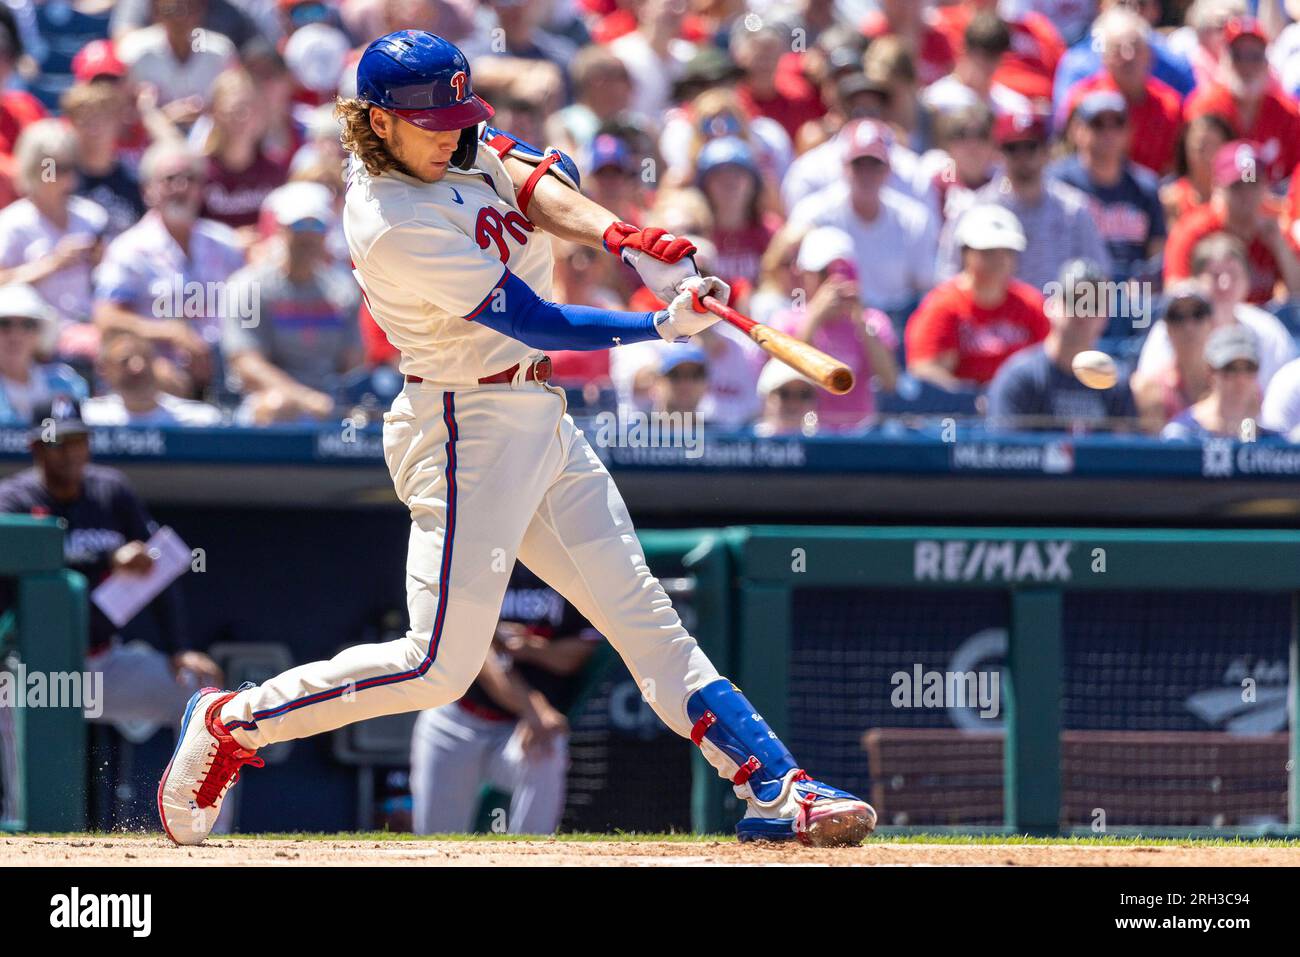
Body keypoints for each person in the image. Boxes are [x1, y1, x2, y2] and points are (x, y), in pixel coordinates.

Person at [156, 30, 877, 849]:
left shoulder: (456, 140)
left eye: (458, 116)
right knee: (438, 665)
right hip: (462, 425)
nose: (451, 133)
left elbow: (535, 183)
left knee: (642, 616)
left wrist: (625, 241)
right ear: (376, 122)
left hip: (537, 414)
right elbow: (530, 315)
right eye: (429, 120)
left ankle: (781, 787)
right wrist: (655, 323)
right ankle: (232, 720)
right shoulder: (389, 217)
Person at [0, 396, 221, 747]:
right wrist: (106, 558)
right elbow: (27, 566)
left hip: (101, 665)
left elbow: (159, 567)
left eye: (78, 441)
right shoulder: (13, 500)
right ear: (36, 448)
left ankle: (196, 804)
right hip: (32, 671)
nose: (71, 452)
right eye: (59, 442)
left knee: (206, 703)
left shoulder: (111, 491)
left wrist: (180, 648)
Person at [409, 563, 599, 835]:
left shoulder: (567, 567)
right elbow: (482, 660)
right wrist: (533, 709)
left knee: (548, 746)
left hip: (515, 730)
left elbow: (577, 653)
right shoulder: (482, 561)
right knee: (437, 840)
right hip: (456, 721)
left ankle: (532, 855)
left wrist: (531, 649)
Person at [92, 140, 245, 398]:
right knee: (165, 380)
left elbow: (249, 310)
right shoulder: (129, 249)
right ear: (148, 190)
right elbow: (107, 319)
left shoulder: (224, 242)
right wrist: (171, 332)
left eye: (190, 179)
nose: (181, 187)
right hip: (159, 370)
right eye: (170, 179)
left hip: (224, 367)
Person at [222, 182, 361, 424]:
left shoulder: (342, 289)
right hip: (264, 401)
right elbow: (246, 363)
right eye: (298, 224)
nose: (308, 234)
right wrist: (304, 398)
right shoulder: (247, 287)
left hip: (331, 397)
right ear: (280, 228)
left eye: (316, 224)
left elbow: (353, 360)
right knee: (280, 406)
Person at [938, 110, 1111, 291]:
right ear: (998, 153)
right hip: (996, 316)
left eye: (1030, 147)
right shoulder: (974, 210)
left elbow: (1099, 275)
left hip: (1060, 314)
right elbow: (947, 277)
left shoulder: (1073, 209)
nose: (1022, 157)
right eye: (1012, 148)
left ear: (1047, 151)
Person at [788, 119, 939, 315]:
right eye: (859, 164)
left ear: (888, 170)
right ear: (844, 167)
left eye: (874, 164)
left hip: (898, 314)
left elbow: (925, 286)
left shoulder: (914, 219)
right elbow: (793, 278)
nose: (866, 173)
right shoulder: (813, 214)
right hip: (834, 314)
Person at [908, 204, 1049, 391]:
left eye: (1006, 251)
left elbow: (1051, 360)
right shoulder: (943, 305)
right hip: (962, 415)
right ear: (966, 254)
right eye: (988, 252)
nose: (999, 261)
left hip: (1022, 409)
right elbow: (924, 367)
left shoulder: (1032, 303)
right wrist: (969, 396)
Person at [770, 226, 899, 431]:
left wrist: (861, 323)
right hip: (804, 434)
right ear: (804, 275)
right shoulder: (786, 321)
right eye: (824, 273)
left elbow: (890, 382)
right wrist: (815, 319)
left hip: (858, 435)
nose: (835, 282)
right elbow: (784, 377)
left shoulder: (873, 321)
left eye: (842, 271)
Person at [986, 258, 1137, 432]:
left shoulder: (1115, 381)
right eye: (1074, 300)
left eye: (1094, 305)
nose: (1083, 312)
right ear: (1051, 305)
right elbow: (1005, 452)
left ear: (1106, 317)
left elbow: (1125, 453)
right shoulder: (1020, 377)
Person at [1143, 231, 1297, 391]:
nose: (1225, 284)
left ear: (1247, 281)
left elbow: (1285, 391)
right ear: (1196, 280)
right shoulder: (1175, 323)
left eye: (1233, 274)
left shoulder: (1267, 329)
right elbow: (1149, 386)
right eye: (1215, 276)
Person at [1163, 141, 1300, 305]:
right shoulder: (1195, 230)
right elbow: (1175, 292)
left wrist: (1280, 246)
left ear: (1265, 187)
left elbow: (1297, 293)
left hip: (1259, 327)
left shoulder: (1272, 230)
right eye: (1237, 186)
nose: (1246, 195)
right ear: (1218, 188)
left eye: (1252, 184)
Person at [1052, 91, 1166, 283]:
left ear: (1129, 131)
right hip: (1074, 291)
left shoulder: (1145, 186)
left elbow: (1156, 253)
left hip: (1132, 295)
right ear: (1076, 130)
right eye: (1098, 124)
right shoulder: (1058, 182)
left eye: (1117, 124)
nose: (1108, 133)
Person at [1055, 6, 1184, 176]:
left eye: (1135, 47)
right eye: (1117, 49)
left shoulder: (1169, 105)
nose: (1128, 56)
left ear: (1149, 56)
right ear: (1104, 58)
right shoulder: (1084, 99)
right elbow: (1068, 157)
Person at [1183, 15, 1300, 186]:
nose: (1247, 65)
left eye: (1255, 56)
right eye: (1238, 55)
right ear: (1225, 58)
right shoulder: (1204, 109)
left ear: (1267, 62)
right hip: (1216, 204)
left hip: (1276, 206)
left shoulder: (1288, 113)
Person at [81, 330, 223, 426]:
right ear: (104, 369)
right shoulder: (88, 418)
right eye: (125, 360)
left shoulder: (198, 420)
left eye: (145, 358)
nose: (138, 367)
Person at [1161, 323, 1276, 440]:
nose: (1240, 379)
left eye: (1249, 369)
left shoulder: (1269, 437)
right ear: (1210, 372)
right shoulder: (1182, 433)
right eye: (1230, 369)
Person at [1130, 281, 1216, 433]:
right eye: (1178, 317)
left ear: (1211, 323)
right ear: (1167, 328)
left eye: (1197, 314)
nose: (1189, 327)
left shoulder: (1233, 382)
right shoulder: (1150, 389)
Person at [0, 284, 87, 423]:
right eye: (4, 324)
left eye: (28, 324)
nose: (15, 335)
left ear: (40, 332)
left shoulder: (67, 383)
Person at [752, 359, 819, 438]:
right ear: (765, 398)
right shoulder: (742, 441)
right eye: (784, 394)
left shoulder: (827, 444)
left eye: (804, 394)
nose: (794, 404)